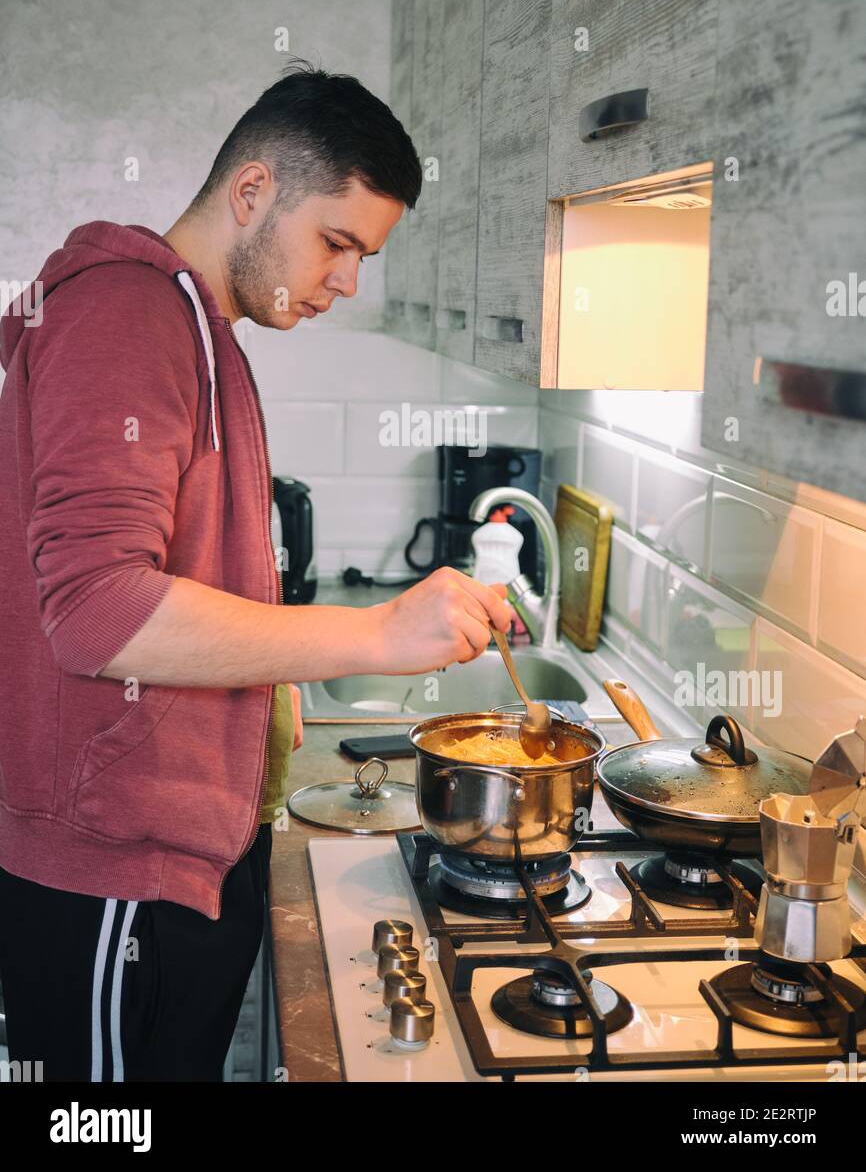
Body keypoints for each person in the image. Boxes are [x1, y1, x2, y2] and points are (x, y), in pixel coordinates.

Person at [0, 60, 513, 1081]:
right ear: (252, 191)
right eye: (336, 242)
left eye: (363, 255)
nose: (348, 280)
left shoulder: (206, 329)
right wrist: (377, 632)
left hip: (177, 854)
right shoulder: (123, 315)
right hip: (112, 873)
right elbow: (98, 610)